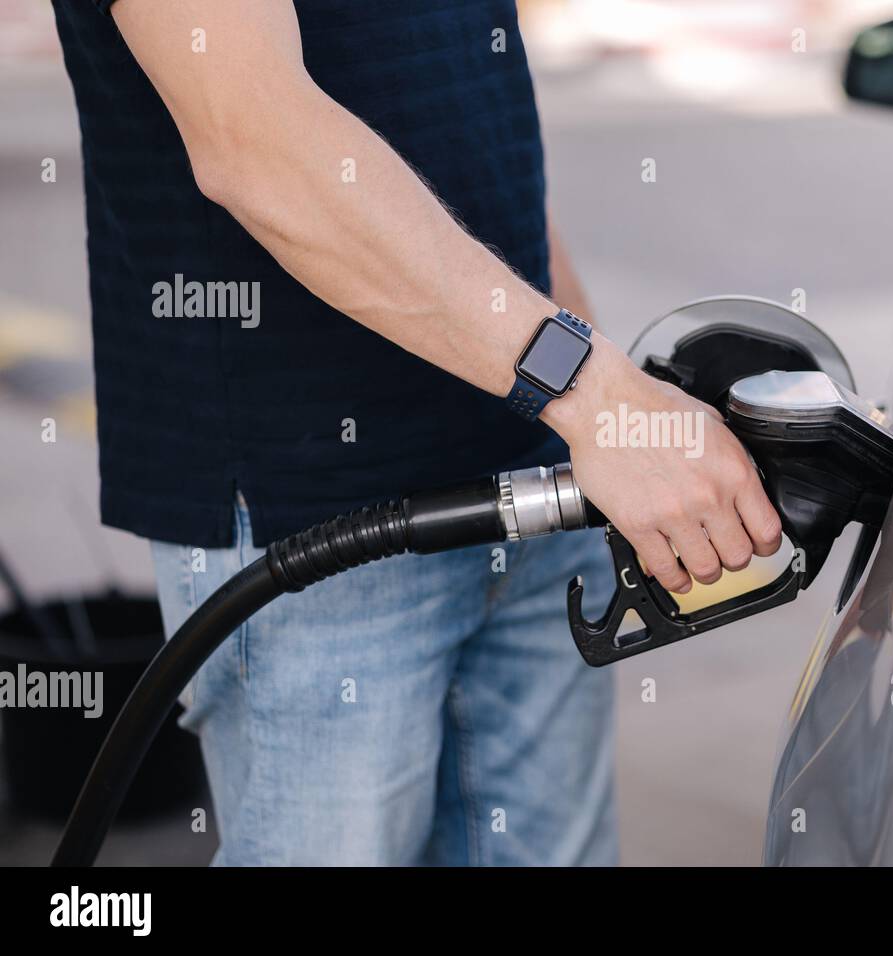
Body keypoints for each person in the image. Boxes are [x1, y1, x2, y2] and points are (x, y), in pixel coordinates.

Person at [51, 0, 782, 865]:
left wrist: (604, 406)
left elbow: (457, 105)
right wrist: (586, 390)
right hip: (313, 519)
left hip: (537, 461)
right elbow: (257, 143)